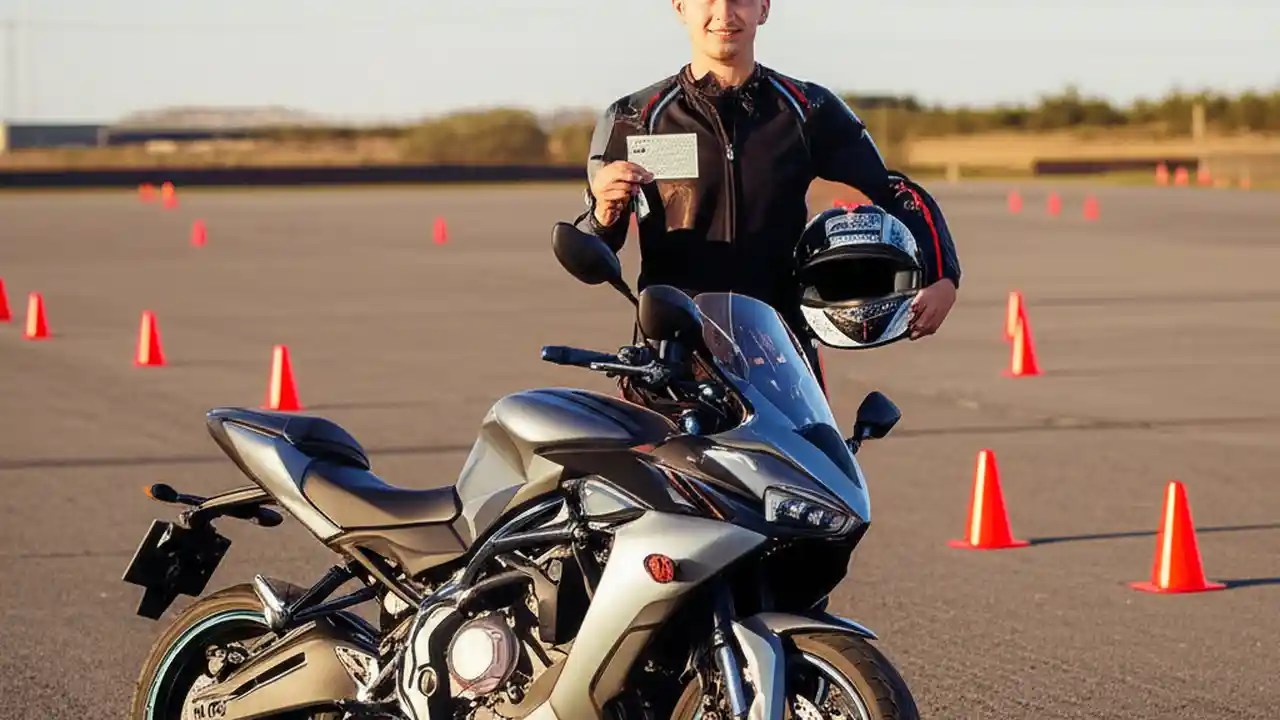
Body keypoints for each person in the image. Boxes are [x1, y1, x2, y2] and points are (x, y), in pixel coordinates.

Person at [571, 0, 961, 384]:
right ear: (679, 8)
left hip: (779, 353)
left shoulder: (807, 109)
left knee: (811, 451)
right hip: (672, 357)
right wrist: (605, 211)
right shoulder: (635, 118)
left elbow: (892, 190)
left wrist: (942, 275)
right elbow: (592, 243)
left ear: (764, 8)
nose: (724, 14)